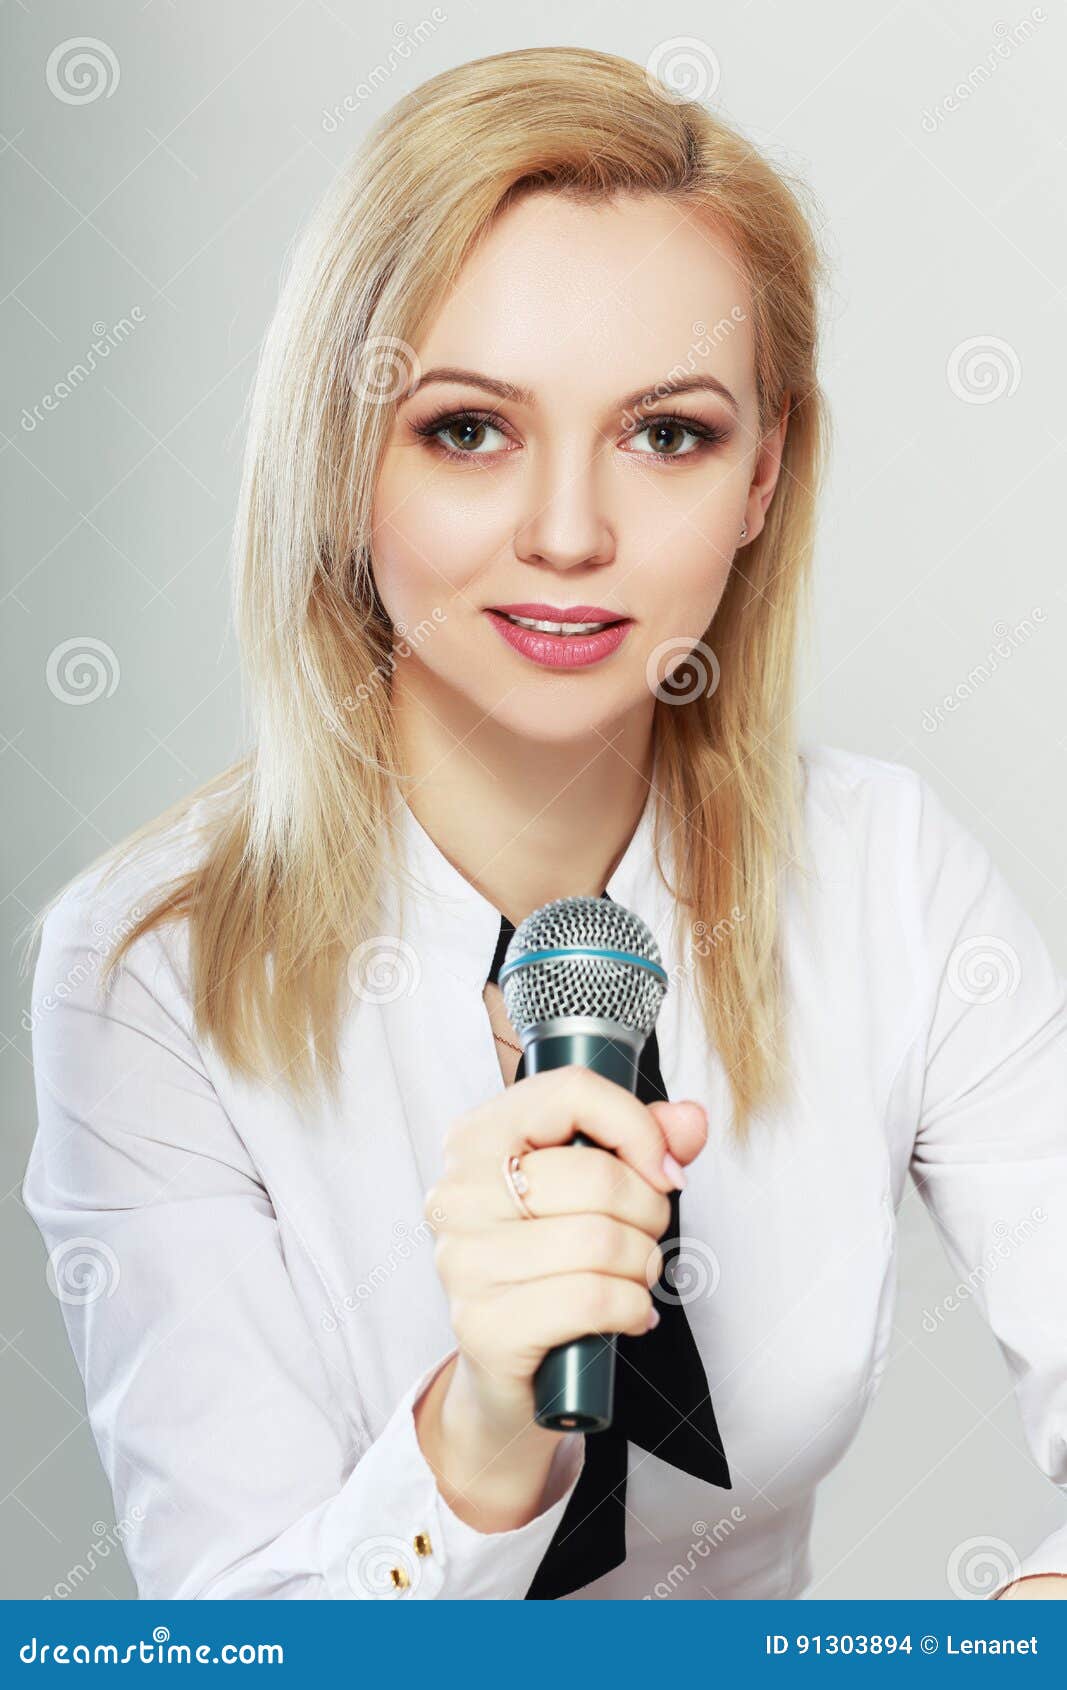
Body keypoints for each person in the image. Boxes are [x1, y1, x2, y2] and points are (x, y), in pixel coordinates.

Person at [22, 46, 1067, 1601]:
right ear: (343, 457)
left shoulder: (885, 878)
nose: (571, 535)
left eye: (668, 435)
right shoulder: (146, 972)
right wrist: (481, 1438)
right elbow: (239, 1637)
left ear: (764, 476)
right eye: (466, 429)